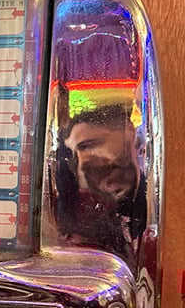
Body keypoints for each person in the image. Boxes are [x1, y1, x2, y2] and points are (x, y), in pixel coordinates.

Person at [57, 103, 146, 266]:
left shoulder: (163, 200)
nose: (82, 164)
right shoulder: (96, 216)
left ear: (130, 134)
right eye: (75, 154)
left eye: (89, 145)